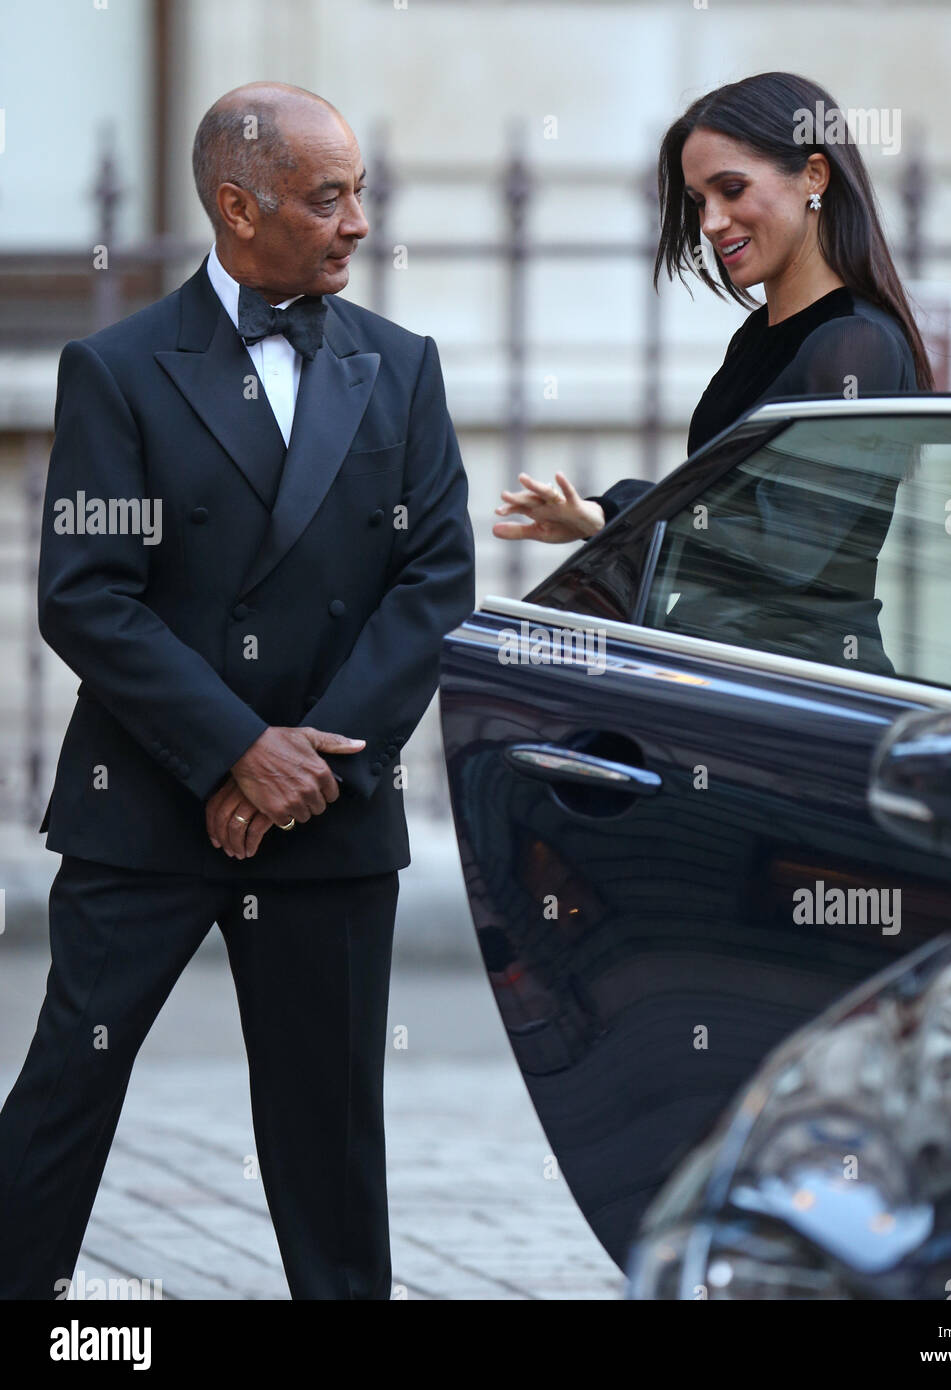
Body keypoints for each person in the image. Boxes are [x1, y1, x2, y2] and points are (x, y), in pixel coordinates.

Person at [0, 82, 474, 1300]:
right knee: (63, 1093)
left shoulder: (402, 367)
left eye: (360, 191)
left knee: (330, 1140)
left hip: (332, 810)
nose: (359, 221)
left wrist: (306, 767)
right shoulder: (115, 369)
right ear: (236, 205)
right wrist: (229, 752)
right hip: (149, 807)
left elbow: (434, 583)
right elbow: (87, 594)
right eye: (329, 198)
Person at [492, 72, 932, 657]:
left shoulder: (855, 343)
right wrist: (604, 516)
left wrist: (616, 515)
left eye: (732, 189)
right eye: (700, 200)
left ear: (814, 177)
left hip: (798, 685)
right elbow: (725, 525)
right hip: (722, 673)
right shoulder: (757, 336)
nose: (710, 222)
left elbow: (786, 549)